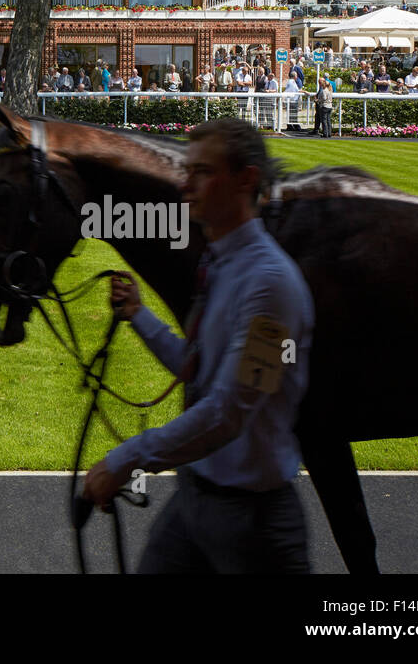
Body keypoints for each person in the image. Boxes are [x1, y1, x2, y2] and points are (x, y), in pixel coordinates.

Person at [82, 119, 315, 573]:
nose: (185, 184)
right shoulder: (221, 263)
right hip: (194, 501)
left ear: (245, 179)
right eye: (187, 170)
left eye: (202, 172)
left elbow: (229, 410)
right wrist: (139, 315)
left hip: (253, 530)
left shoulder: (270, 286)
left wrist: (126, 460)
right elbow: (199, 374)